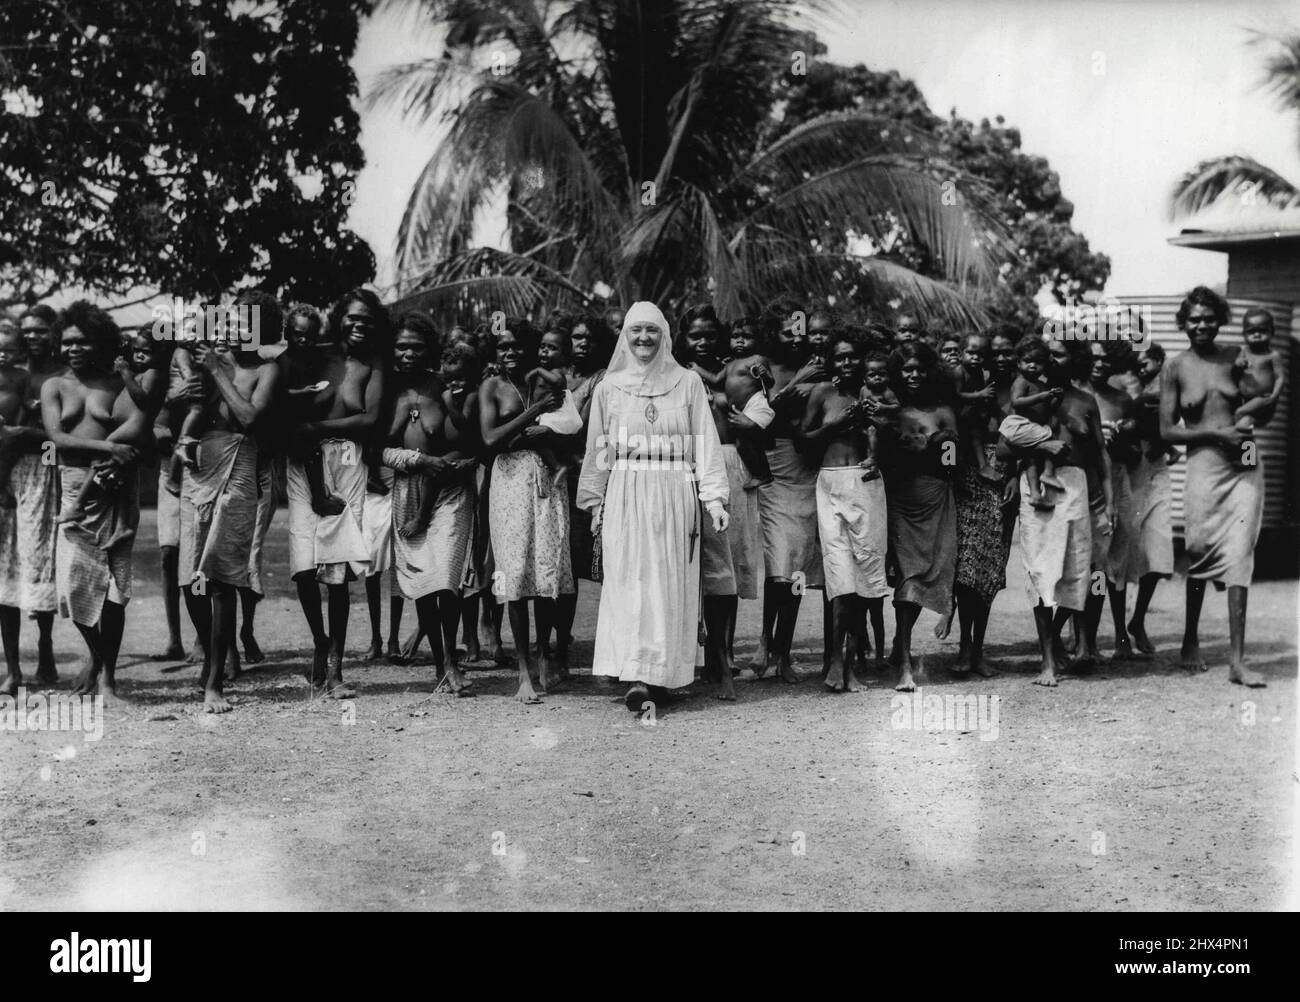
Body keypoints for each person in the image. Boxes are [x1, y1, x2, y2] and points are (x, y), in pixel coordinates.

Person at [577, 301, 728, 712]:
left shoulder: (687, 383)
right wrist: (594, 503)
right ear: (625, 336)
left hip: (675, 490)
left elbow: (705, 443)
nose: (643, 338)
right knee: (630, 581)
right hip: (625, 490)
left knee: (668, 581)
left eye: (652, 331)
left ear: (664, 335)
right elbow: (598, 450)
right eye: (635, 331)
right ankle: (637, 674)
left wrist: (714, 498)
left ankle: (663, 673)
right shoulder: (610, 386)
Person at [173, 293, 280, 712]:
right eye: (231, 320)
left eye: (245, 322)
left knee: (221, 577)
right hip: (199, 467)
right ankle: (216, 651)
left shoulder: (266, 370)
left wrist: (218, 371)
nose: (234, 328)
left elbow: (250, 418)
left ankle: (215, 679)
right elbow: (182, 406)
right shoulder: (208, 360)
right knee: (189, 579)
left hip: (240, 466)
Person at [1160, 287, 1267, 686]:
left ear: (1219, 319)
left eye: (1208, 318)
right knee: (1199, 549)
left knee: (1241, 552)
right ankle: (1190, 638)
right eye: (1194, 319)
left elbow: (1264, 405)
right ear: (1183, 323)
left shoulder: (1236, 356)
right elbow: (1168, 430)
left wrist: (1253, 380)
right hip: (1203, 464)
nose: (1201, 325)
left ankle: (1238, 661)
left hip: (1244, 463)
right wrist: (1215, 435)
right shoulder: (1175, 367)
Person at [40, 302, 143, 700]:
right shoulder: (54, 386)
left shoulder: (114, 383)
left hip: (115, 488)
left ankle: (108, 680)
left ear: (96, 340)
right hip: (73, 489)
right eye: (66, 342)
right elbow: (57, 438)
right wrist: (107, 447)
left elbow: (140, 431)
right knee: (72, 585)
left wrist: (122, 459)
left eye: (81, 341)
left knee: (115, 589)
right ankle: (98, 658)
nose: (73, 349)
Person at [285, 289, 385, 697]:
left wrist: (321, 428)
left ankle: (335, 667)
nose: (358, 326)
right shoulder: (314, 354)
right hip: (303, 463)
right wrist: (311, 432)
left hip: (348, 464)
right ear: (338, 318)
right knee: (305, 565)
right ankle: (319, 639)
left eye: (367, 321)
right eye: (352, 318)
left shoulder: (374, 365)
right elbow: (295, 413)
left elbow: (371, 418)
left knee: (339, 573)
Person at [479, 316, 574, 702]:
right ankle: (522, 670)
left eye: (518, 346)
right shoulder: (492, 386)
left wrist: (539, 427)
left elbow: (568, 423)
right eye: (503, 347)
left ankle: (543, 656)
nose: (511, 353)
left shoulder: (542, 379)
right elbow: (490, 439)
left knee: (547, 570)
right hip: (508, 480)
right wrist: (532, 413)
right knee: (514, 572)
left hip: (548, 480)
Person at [382, 314, 477, 695]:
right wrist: (415, 460)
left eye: (416, 348)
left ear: (430, 350)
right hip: (408, 490)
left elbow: (468, 438)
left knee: (447, 582)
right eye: (401, 346)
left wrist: (453, 461)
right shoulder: (387, 391)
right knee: (423, 582)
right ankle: (441, 663)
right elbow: (378, 450)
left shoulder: (446, 387)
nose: (408, 354)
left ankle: (452, 659)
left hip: (451, 492)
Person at [1006, 337, 1108, 686]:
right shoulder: (1035, 395)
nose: (1052, 360)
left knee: (1076, 570)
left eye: (1060, 354)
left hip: (1076, 486)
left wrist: (1107, 501)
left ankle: (1056, 639)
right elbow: (1006, 444)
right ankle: (1047, 659)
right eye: (1049, 355)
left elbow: (1099, 457)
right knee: (1038, 569)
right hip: (1037, 487)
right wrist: (1042, 443)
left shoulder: (1085, 401)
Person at [679, 306, 762, 700]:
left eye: (711, 335)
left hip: (730, 463)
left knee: (728, 563)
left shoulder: (737, 369)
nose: (704, 343)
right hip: (687, 468)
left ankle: (722, 651)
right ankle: (692, 653)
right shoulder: (677, 373)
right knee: (694, 564)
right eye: (696, 335)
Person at [801, 331, 887, 693]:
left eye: (853, 357)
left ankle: (851, 662)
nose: (847, 363)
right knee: (839, 576)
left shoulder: (874, 393)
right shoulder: (823, 393)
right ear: (831, 361)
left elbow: (893, 434)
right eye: (840, 358)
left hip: (867, 485)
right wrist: (836, 424)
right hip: (831, 484)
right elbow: (803, 439)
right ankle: (835, 661)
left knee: (865, 573)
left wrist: (877, 419)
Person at [753, 307, 825, 682]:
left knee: (795, 565)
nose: (796, 337)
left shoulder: (818, 365)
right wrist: (800, 380)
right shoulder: (761, 366)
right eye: (787, 331)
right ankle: (765, 641)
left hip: (805, 467)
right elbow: (763, 413)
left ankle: (783, 651)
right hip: (773, 466)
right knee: (777, 563)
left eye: (800, 331)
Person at [882, 342, 959, 692]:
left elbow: (952, 463)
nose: (913, 375)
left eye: (919, 369)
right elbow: (884, 457)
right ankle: (906, 665)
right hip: (901, 499)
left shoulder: (943, 411)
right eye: (906, 370)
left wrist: (937, 445)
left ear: (931, 372)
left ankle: (901, 643)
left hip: (935, 498)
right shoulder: (892, 407)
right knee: (907, 576)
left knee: (930, 572)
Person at [0, 306, 63, 693]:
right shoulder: (18, 378)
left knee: (40, 564)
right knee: (4, 570)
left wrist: (28, 436)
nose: (33, 337)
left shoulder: (57, 375)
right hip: (6, 474)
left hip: (43, 472)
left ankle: (45, 646)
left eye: (40, 331)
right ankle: (13, 669)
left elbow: (54, 440)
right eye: (28, 332)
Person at [553, 312, 614, 674]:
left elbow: (579, 426)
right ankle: (561, 645)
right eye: (577, 337)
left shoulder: (605, 379)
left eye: (590, 337)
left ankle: (612, 648)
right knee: (565, 570)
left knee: (605, 563)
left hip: (589, 475)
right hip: (555, 477)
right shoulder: (556, 377)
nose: (583, 343)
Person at [1125, 341, 1175, 653]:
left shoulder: (1167, 386)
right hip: (1134, 467)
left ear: (1158, 360)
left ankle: (1137, 619)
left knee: (1160, 551)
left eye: (1144, 363)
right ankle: (1119, 630)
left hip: (1156, 469)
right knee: (1127, 548)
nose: (1140, 368)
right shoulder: (1134, 386)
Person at [1002, 338, 1065, 509]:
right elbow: (1016, 402)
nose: (1032, 366)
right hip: (1017, 425)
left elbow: (1047, 408)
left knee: (1030, 460)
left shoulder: (1041, 384)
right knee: (1051, 434)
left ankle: (1035, 494)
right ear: (1018, 363)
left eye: (1038, 362)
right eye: (1028, 361)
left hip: (1027, 427)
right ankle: (1049, 473)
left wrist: (1055, 399)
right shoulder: (1021, 382)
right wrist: (1041, 396)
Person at [1233, 308, 1283, 432]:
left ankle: (1238, 441)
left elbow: (1279, 377)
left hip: (1262, 398)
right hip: (1246, 399)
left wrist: (1274, 396)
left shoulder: (1272, 355)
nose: (1257, 335)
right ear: (1244, 334)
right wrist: (1239, 364)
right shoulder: (1244, 352)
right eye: (1251, 332)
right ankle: (1248, 450)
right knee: (1244, 425)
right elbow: (1236, 368)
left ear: (1272, 332)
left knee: (1239, 413)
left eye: (1262, 331)